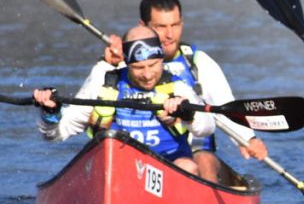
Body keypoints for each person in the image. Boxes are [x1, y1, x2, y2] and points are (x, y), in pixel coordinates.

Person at [102, 0, 268, 182]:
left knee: (203, 161)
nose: (170, 35)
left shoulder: (197, 62)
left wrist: (247, 138)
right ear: (143, 26)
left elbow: (224, 104)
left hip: (194, 152)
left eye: (175, 25)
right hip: (135, 153)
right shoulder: (124, 62)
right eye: (160, 27)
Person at [34, 25, 214, 175]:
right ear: (127, 63)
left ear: (161, 59)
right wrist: (51, 112)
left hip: (166, 171)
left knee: (188, 166)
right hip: (117, 171)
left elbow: (206, 129)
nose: (147, 74)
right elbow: (54, 134)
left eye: (153, 65)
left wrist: (187, 113)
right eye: (138, 67)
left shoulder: (178, 87)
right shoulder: (105, 85)